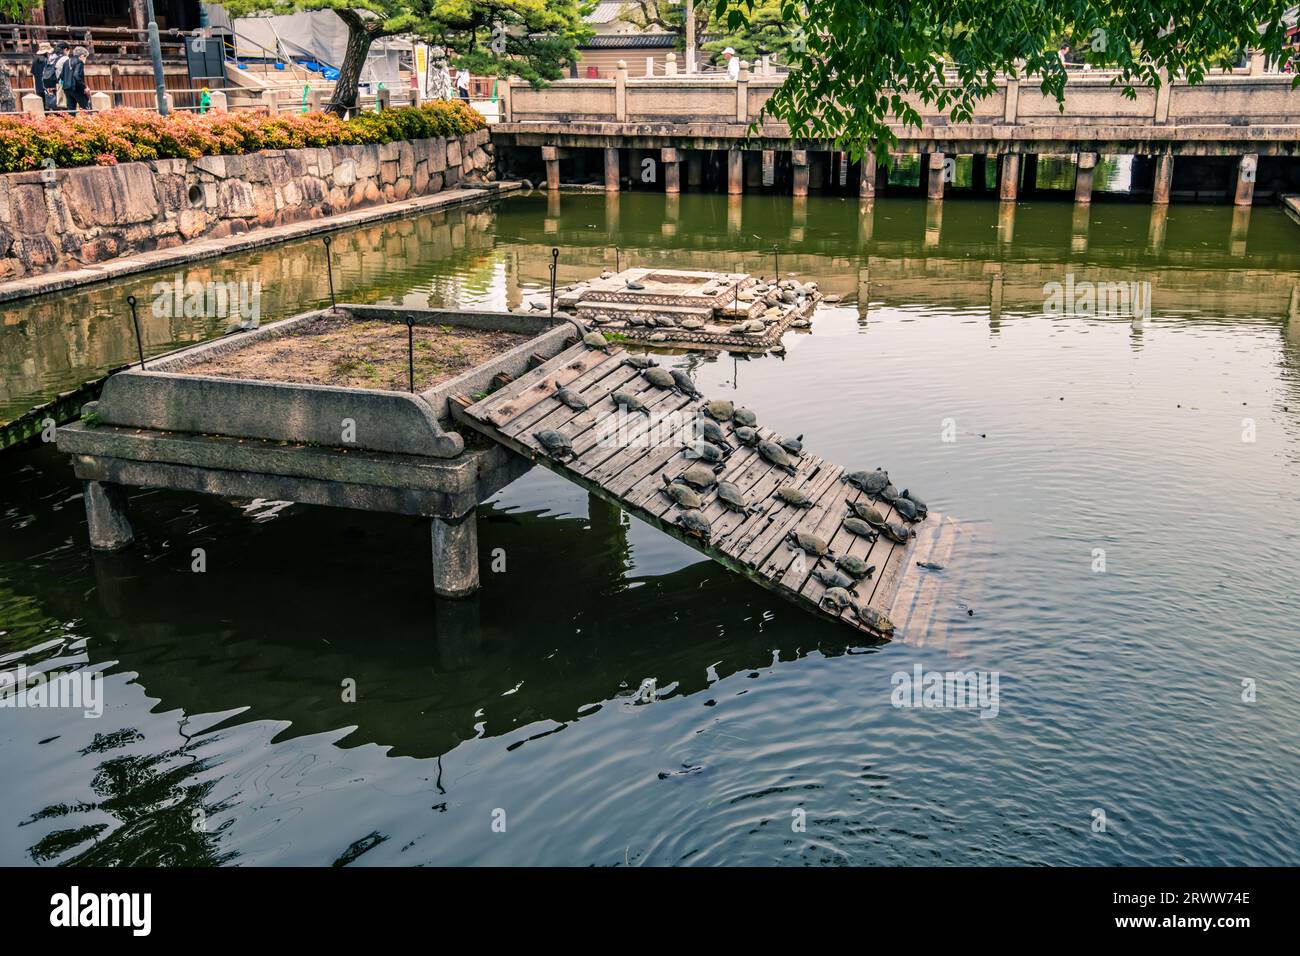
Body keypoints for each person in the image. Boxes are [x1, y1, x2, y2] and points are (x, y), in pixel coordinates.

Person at [62, 46, 91, 115]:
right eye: (85, 57)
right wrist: (85, 87)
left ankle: (72, 125)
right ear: (82, 56)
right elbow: (76, 76)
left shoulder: (66, 62)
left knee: (71, 113)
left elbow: (61, 76)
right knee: (86, 109)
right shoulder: (79, 62)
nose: (85, 60)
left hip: (67, 89)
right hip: (76, 89)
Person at [32, 42, 54, 111]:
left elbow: (33, 74)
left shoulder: (34, 61)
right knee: (55, 108)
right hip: (48, 88)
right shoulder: (48, 61)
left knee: (45, 109)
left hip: (39, 88)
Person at [50, 42, 70, 111]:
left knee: (57, 108)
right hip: (63, 85)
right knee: (66, 107)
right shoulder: (65, 59)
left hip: (53, 84)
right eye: (68, 51)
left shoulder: (52, 58)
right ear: (65, 50)